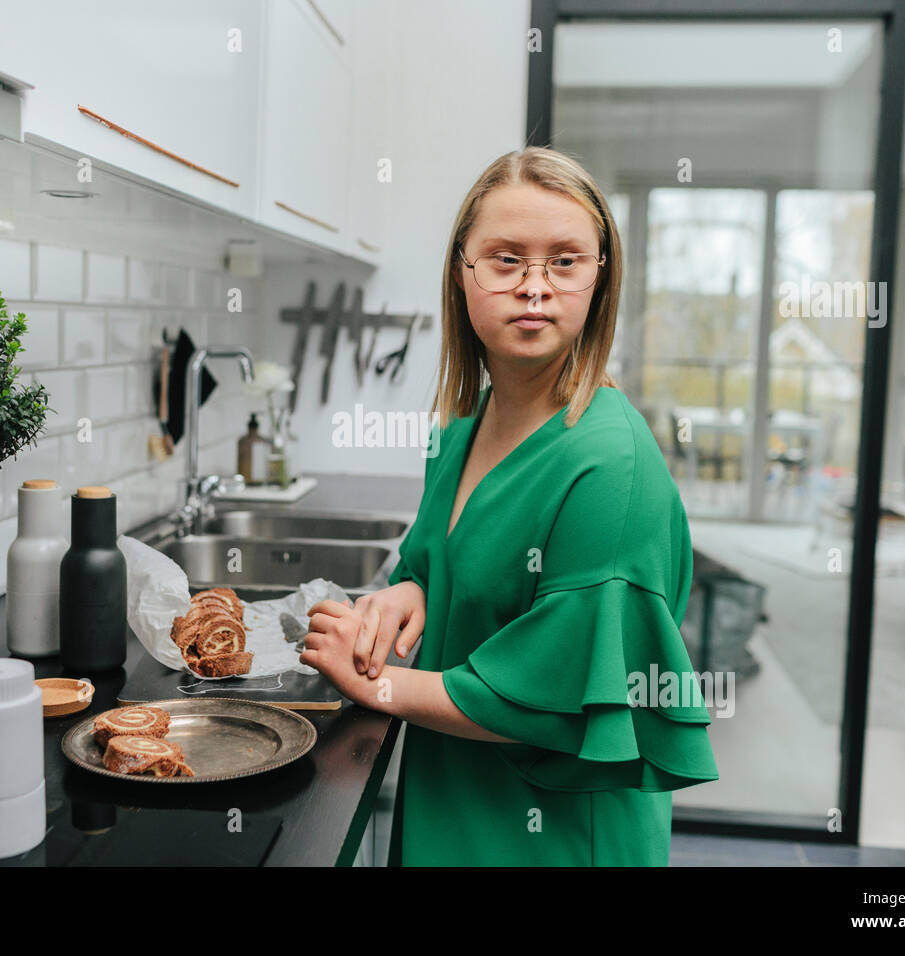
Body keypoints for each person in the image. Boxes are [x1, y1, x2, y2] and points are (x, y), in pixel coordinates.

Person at [300, 146, 719, 866]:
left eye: (565, 261)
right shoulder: (465, 426)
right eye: (504, 259)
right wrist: (409, 592)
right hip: (452, 810)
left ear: (600, 278)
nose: (535, 287)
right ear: (463, 274)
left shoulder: (610, 468)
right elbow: (443, 565)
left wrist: (376, 682)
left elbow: (552, 695)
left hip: (549, 840)